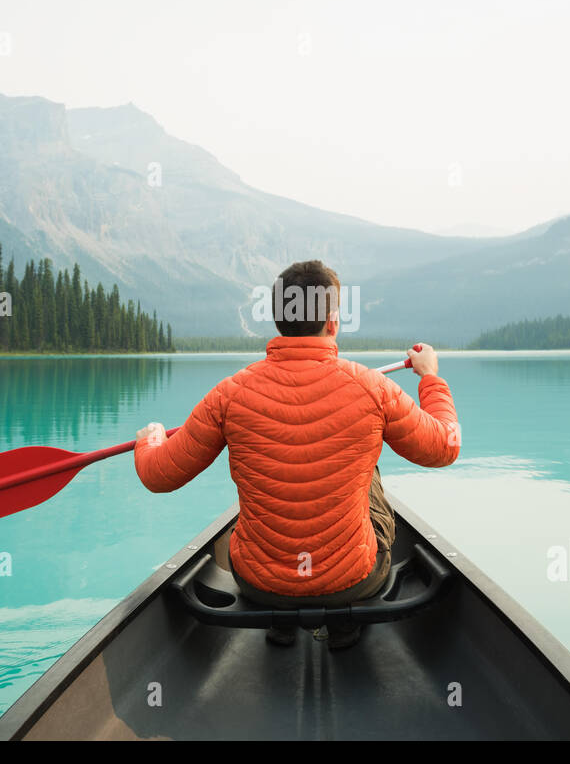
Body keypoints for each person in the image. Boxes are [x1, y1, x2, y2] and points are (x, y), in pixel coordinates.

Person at [134, 260, 460, 649]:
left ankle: (282, 623)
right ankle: (343, 626)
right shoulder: (373, 389)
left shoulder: (229, 394)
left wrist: (150, 440)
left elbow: (158, 475)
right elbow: (445, 446)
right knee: (365, 465)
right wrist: (430, 377)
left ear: (277, 322)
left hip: (259, 585)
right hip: (354, 580)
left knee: (272, 473)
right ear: (333, 322)